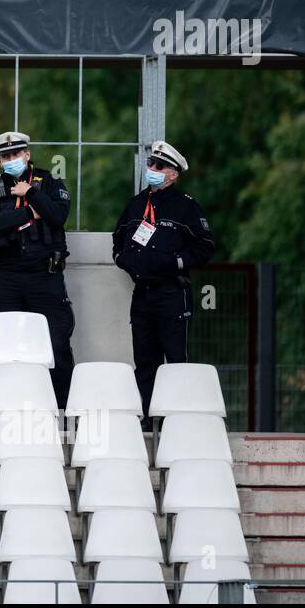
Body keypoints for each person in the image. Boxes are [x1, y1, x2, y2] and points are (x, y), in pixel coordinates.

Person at [112, 140, 216, 422]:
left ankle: (177, 420)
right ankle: (147, 421)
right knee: (145, 361)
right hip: (142, 294)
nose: (152, 169)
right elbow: (118, 239)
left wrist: (175, 262)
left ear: (173, 174)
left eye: (159, 166)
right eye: (150, 164)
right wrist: (124, 259)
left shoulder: (186, 207)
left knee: (175, 361)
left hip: (172, 293)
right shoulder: (135, 205)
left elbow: (205, 247)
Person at [0, 131, 75, 409]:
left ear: (27, 155)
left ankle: (62, 407)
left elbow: (58, 216)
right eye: (5, 156)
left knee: (56, 341)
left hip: (45, 275)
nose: (11, 160)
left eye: (16, 154)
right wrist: (30, 212)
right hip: (5, 276)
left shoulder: (50, 182)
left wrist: (30, 193)